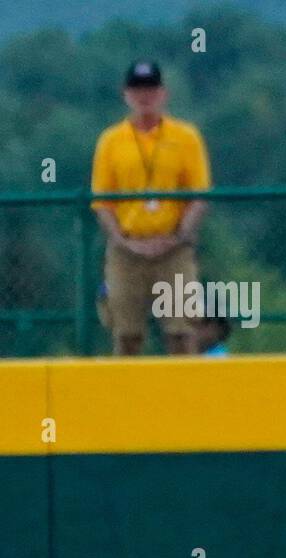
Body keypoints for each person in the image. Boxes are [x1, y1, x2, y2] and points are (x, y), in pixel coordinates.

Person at [91, 60, 211, 355]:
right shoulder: (111, 140)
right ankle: (127, 396)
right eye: (137, 90)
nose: (144, 97)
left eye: (151, 89)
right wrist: (121, 240)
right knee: (126, 333)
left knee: (181, 332)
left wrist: (179, 236)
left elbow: (200, 194)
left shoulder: (186, 137)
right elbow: (102, 201)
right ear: (126, 95)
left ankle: (182, 395)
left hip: (173, 248)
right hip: (127, 249)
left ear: (163, 94)